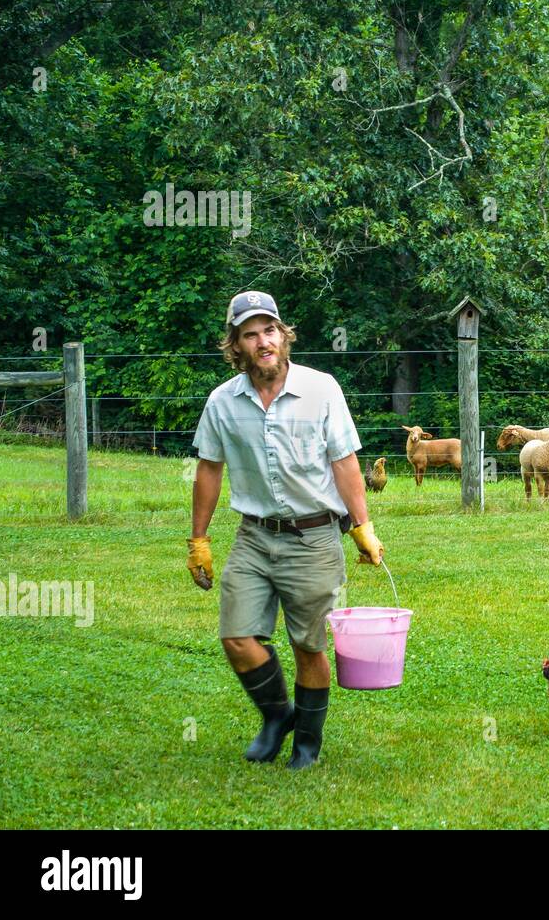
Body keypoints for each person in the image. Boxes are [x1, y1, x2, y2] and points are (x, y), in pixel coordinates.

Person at [187, 290, 385, 769]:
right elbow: (209, 469)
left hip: (314, 537)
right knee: (237, 637)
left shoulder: (322, 389)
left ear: (283, 335)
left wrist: (363, 526)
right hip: (253, 536)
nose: (262, 341)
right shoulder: (222, 403)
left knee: (309, 645)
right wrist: (199, 539)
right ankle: (277, 716)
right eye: (249, 335)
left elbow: (344, 462)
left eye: (269, 331)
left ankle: (307, 744)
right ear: (236, 345)